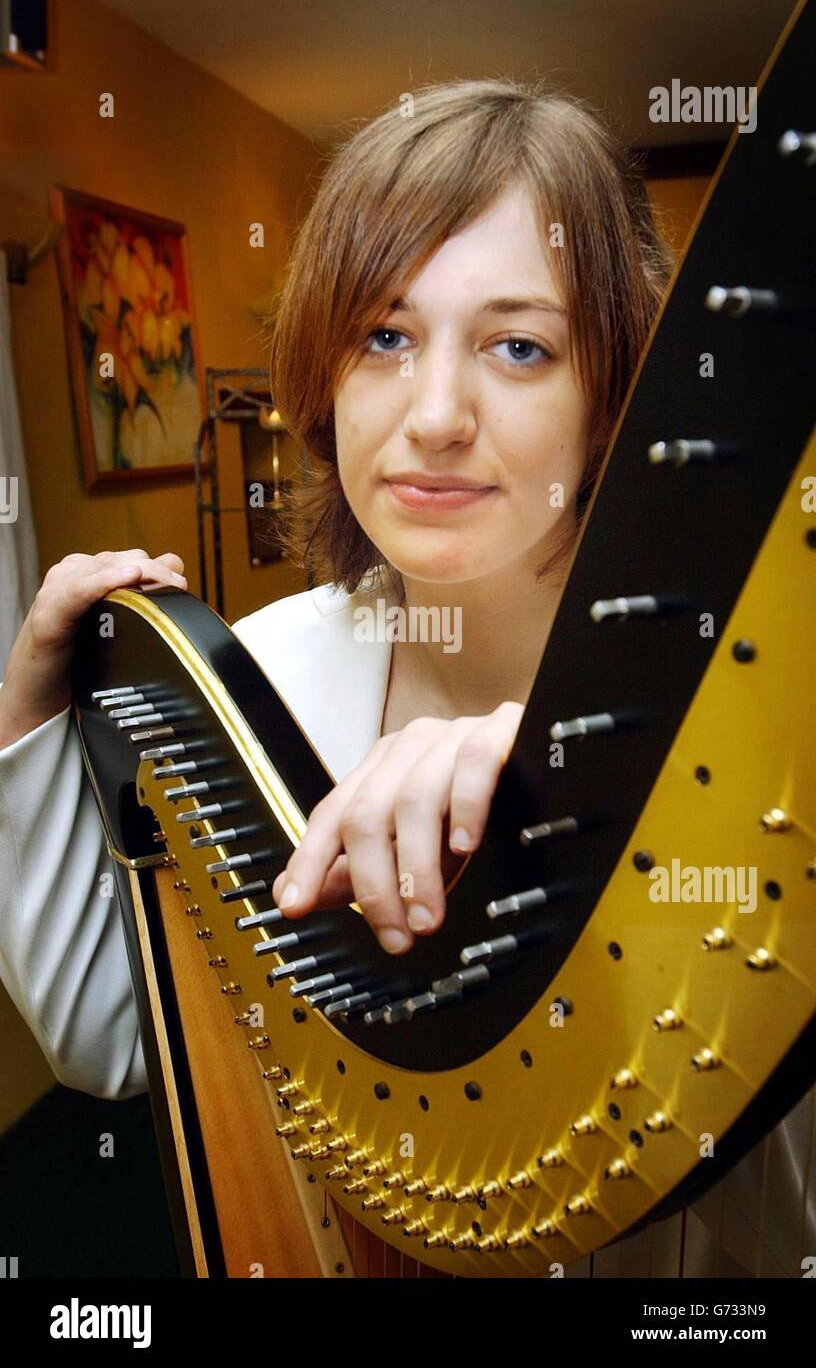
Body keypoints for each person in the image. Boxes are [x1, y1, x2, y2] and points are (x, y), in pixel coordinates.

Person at [0, 79, 810, 1278]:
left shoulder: (742, 704)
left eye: (520, 346)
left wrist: (560, 780)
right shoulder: (260, 672)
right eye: (385, 335)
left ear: (610, 404)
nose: (433, 415)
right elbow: (122, 1039)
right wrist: (24, 709)